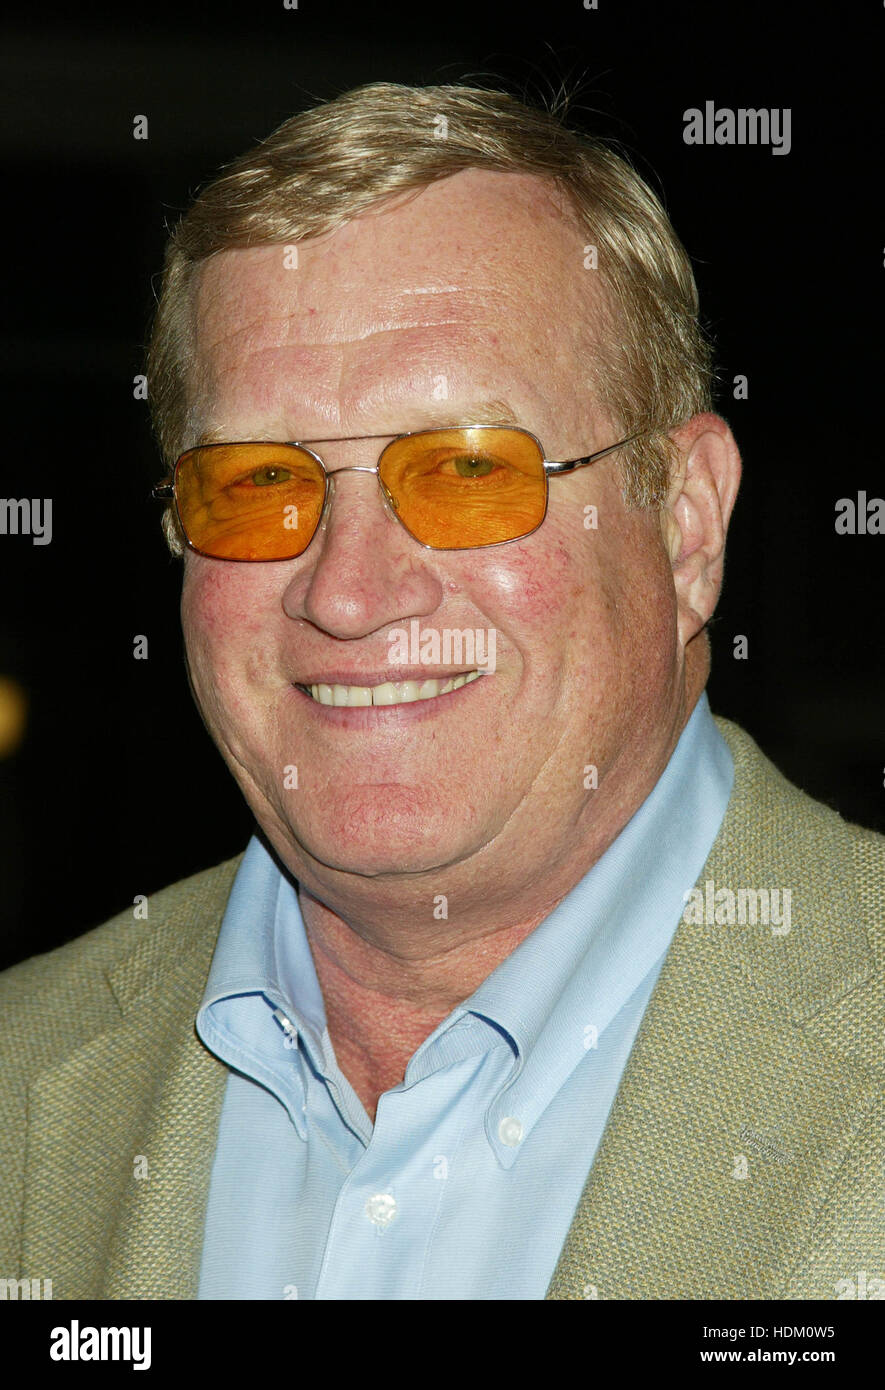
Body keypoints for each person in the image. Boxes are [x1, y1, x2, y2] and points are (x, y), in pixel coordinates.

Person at [1, 81, 882, 1302]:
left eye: (467, 468)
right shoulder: (21, 1077)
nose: (349, 595)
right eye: (258, 483)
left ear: (684, 527)